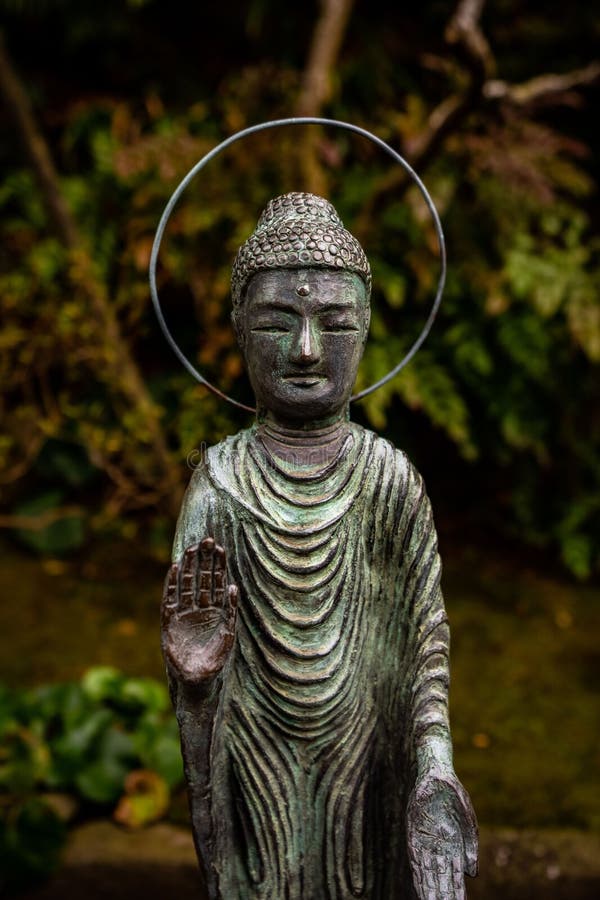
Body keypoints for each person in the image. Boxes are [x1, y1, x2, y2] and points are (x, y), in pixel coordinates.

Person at [161, 192, 478, 899]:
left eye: (333, 323)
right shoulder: (218, 484)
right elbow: (195, 653)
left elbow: (424, 642)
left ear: (363, 330)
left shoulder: (390, 479)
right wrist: (197, 680)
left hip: (365, 766)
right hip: (254, 764)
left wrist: (432, 766)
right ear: (241, 331)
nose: (305, 350)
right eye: (278, 322)